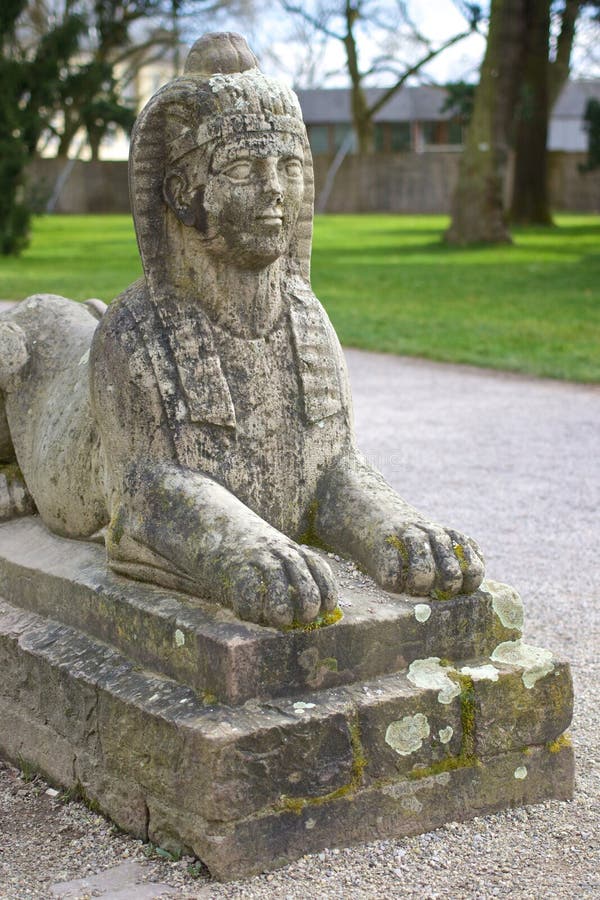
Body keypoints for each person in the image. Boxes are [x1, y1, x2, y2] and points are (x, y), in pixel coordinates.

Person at [0, 33, 484, 627]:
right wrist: (237, 548)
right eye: (243, 168)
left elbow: (329, 471)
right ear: (182, 193)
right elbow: (147, 498)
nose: (275, 189)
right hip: (43, 358)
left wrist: (392, 525)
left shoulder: (308, 320)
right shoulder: (135, 334)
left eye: (287, 166)